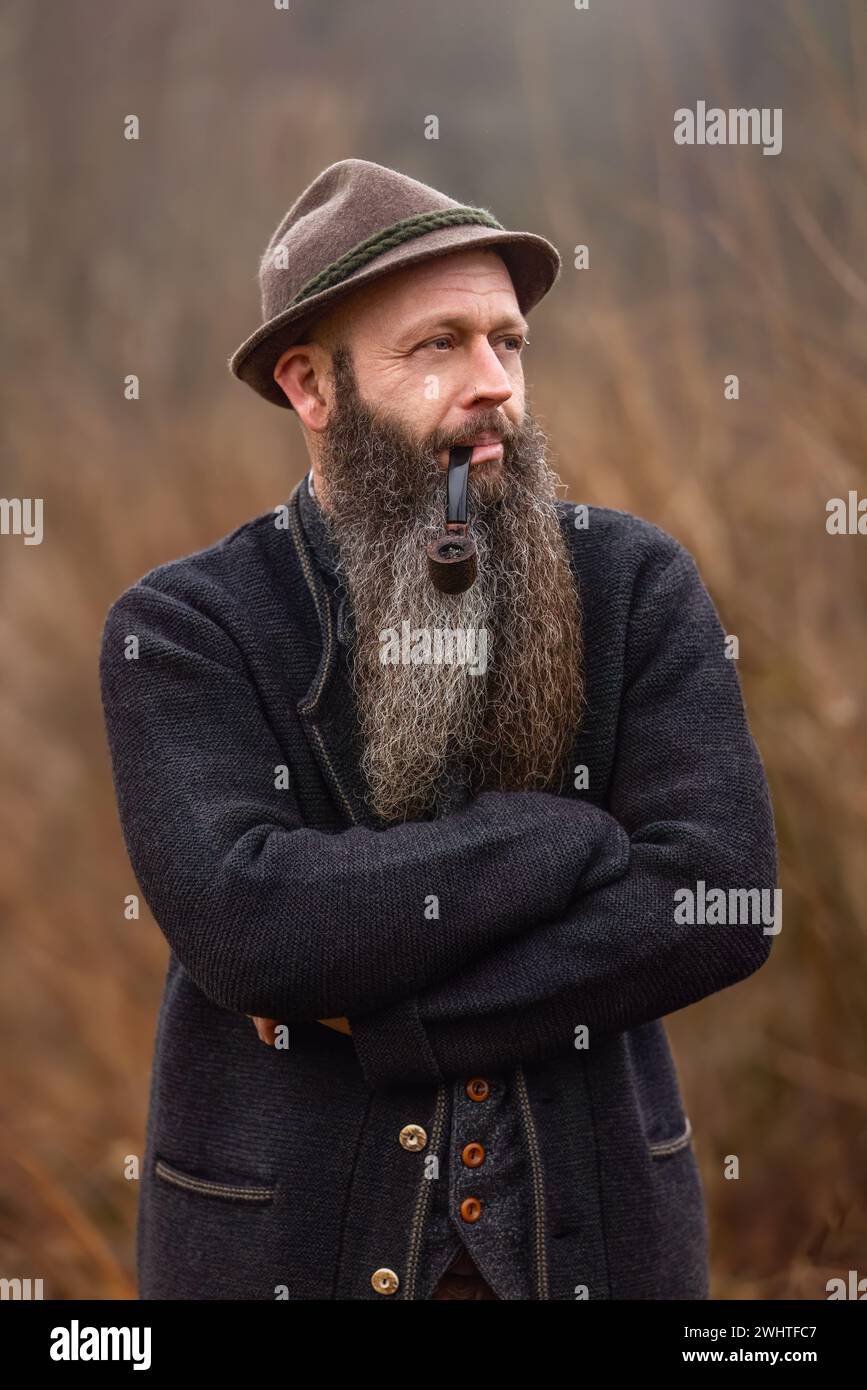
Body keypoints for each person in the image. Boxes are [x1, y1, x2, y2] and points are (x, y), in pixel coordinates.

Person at [98, 158, 777, 1300]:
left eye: (508, 342)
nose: (494, 386)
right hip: (280, 1254)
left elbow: (720, 897)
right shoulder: (184, 628)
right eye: (438, 346)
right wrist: (565, 838)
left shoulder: (633, 584)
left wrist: (392, 1020)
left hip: (601, 1248)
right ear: (311, 385)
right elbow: (248, 926)